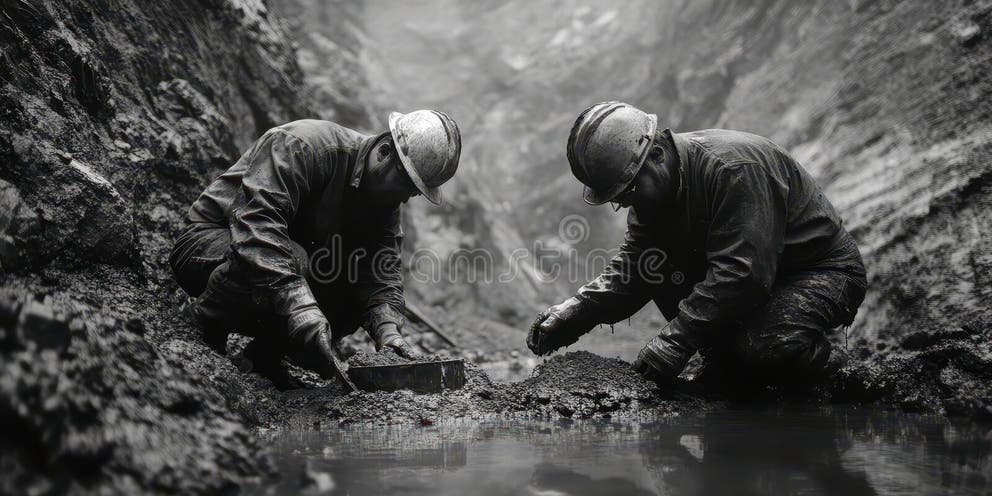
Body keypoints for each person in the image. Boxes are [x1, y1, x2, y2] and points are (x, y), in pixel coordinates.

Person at [527, 101, 866, 390]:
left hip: (820, 272)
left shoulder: (733, 169)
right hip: (757, 285)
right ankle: (736, 364)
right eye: (618, 198)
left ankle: (847, 378)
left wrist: (673, 342)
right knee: (665, 276)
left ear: (657, 154)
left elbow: (742, 273)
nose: (626, 205)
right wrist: (575, 311)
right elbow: (635, 270)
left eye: (627, 192)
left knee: (766, 348)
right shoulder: (652, 199)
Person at [170, 111, 460, 387]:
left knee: (348, 296)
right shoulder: (304, 145)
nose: (407, 198)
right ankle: (203, 324)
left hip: (280, 266)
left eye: (415, 192)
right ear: (384, 153)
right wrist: (300, 305)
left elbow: (380, 273)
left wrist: (388, 332)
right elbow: (255, 224)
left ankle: (261, 359)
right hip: (209, 244)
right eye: (408, 184)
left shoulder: (384, 200)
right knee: (293, 259)